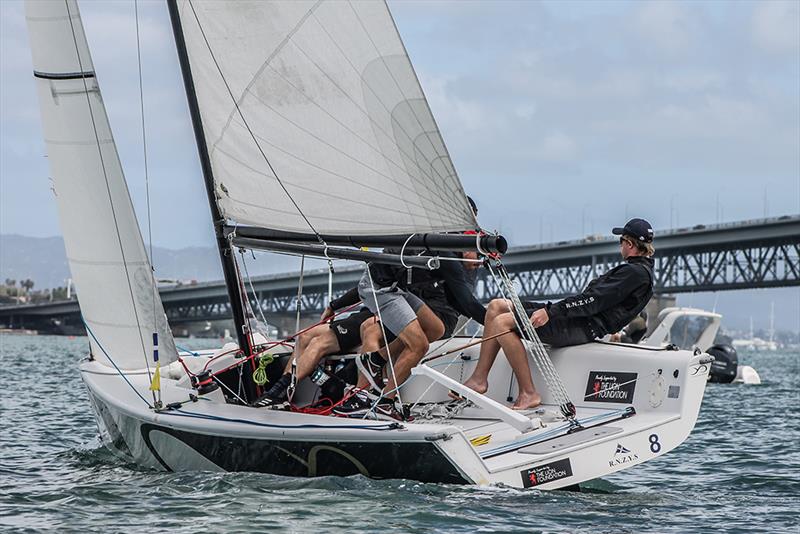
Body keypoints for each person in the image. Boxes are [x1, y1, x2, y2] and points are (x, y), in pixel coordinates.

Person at [462, 218, 655, 410]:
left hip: (581, 326)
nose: (620, 245)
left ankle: (528, 392)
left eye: (621, 240)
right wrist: (552, 309)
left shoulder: (635, 273)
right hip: (574, 318)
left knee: (502, 323)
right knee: (497, 306)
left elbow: (592, 301)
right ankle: (479, 379)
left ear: (629, 244)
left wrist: (550, 312)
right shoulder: (635, 271)